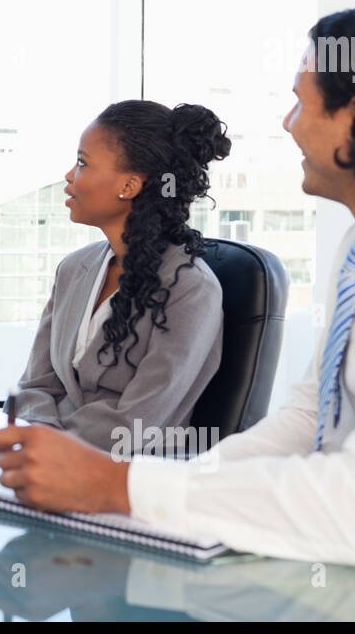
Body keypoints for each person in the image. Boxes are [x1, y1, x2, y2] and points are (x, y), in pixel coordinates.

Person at [0, 3, 355, 587]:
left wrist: (119, 485)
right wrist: (149, 500)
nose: (288, 122)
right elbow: (307, 419)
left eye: (301, 99)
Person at [13, 100, 232, 451]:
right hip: (47, 463)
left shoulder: (191, 289)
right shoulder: (73, 270)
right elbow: (36, 386)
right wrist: (38, 440)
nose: (70, 175)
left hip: (125, 478)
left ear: (129, 187)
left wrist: (54, 449)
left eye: (83, 163)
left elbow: (138, 422)